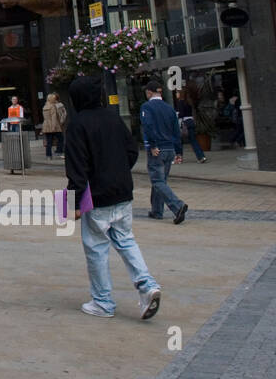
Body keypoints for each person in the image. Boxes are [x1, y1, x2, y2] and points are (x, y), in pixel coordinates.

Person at [64, 74, 162, 320]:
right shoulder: (113, 118)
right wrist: (117, 172)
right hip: (122, 191)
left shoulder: (77, 124)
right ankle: (147, 285)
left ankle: (103, 302)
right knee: (126, 240)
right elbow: (131, 151)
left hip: (96, 196)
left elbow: (77, 168)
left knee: (96, 248)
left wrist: (73, 203)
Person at [141, 80, 188, 224]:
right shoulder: (169, 108)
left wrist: (153, 145)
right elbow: (176, 131)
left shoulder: (146, 107)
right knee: (161, 181)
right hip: (170, 148)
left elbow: (147, 126)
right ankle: (157, 211)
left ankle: (177, 206)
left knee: (157, 181)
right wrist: (179, 151)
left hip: (157, 148)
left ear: (149, 92)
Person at [176, 93, 207, 163]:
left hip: (185, 123)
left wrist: (176, 114)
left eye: (177, 92)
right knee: (194, 141)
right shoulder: (189, 101)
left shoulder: (181, 102)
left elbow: (181, 114)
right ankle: (201, 156)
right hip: (191, 122)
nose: (176, 94)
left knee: (179, 141)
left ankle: (179, 158)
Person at [42, 92, 67, 161]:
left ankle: (48, 156)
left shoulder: (45, 106)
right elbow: (54, 117)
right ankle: (59, 151)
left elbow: (44, 117)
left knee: (49, 142)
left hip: (46, 125)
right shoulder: (53, 106)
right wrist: (54, 127)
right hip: (54, 125)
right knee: (61, 138)